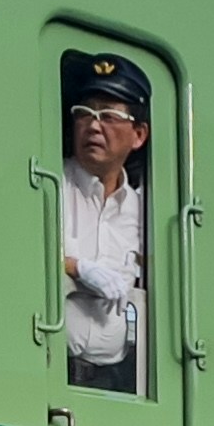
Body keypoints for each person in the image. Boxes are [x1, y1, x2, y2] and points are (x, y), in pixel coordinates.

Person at [59, 50, 152, 391]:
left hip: (114, 379)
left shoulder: (143, 211)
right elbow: (15, 251)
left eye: (109, 115)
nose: (93, 125)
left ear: (139, 135)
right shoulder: (51, 184)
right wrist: (77, 267)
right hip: (51, 369)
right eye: (84, 113)